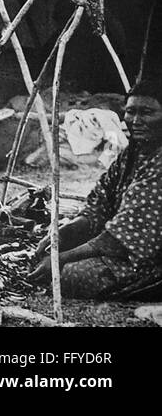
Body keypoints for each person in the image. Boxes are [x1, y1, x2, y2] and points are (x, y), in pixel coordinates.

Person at [27, 80, 162, 300]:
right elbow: (99, 204)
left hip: (151, 258)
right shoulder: (131, 155)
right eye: (130, 112)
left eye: (147, 113)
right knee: (58, 248)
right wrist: (64, 234)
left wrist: (60, 259)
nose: (136, 121)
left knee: (72, 274)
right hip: (127, 245)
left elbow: (124, 234)